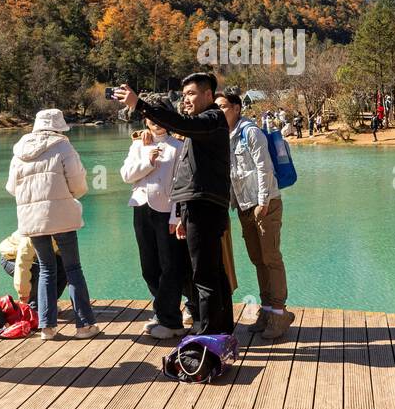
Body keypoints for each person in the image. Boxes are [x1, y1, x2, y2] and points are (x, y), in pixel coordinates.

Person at [111, 74, 234, 336]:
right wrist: (182, 214)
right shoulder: (191, 130)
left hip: (203, 206)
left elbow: (179, 124)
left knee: (203, 275)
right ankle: (217, 329)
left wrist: (138, 103)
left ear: (208, 94)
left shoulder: (210, 120)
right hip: (192, 206)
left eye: (191, 93)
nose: (186, 99)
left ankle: (207, 334)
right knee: (207, 272)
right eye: (184, 94)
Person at [7, 109, 98, 340]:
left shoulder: (19, 149)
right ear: (58, 126)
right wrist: (67, 195)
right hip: (61, 215)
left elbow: (11, 187)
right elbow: (78, 184)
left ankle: (47, 327)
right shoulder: (63, 146)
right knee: (73, 269)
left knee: (47, 268)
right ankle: (84, 326)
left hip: (31, 218)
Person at [217, 92, 294, 340]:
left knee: (271, 257)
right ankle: (267, 309)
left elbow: (264, 168)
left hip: (265, 204)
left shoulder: (250, 132)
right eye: (216, 108)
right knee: (257, 259)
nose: (220, 112)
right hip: (244, 205)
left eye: (224, 107)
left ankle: (280, 313)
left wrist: (263, 202)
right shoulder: (226, 136)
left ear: (237, 108)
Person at [120, 114, 187, 339]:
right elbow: (127, 175)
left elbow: (181, 184)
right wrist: (147, 161)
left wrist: (176, 217)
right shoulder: (138, 144)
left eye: (159, 117)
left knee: (170, 265)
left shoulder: (178, 146)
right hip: (141, 207)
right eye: (150, 118)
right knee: (148, 266)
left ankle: (170, 320)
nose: (155, 122)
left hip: (165, 210)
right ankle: (164, 314)